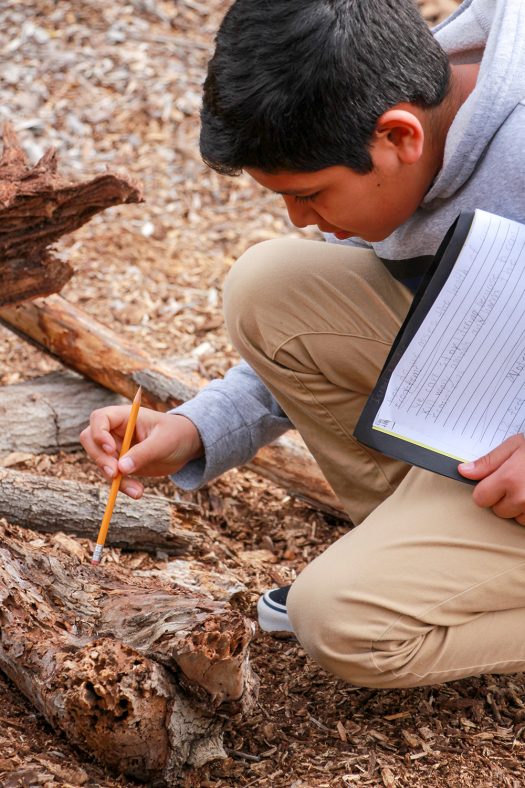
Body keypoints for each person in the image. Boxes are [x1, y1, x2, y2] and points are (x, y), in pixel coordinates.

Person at [81, 0, 525, 688]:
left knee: (343, 623)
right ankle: (423, 560)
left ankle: (406, 584)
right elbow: (409, 315)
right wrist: (198, 427)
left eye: (312, 194)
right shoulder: (389, 92)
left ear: (398, 136)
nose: (300, 218)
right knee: (271, 286)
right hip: (501, 391)